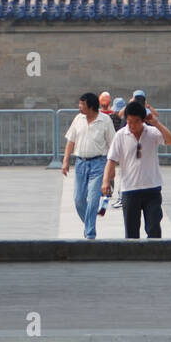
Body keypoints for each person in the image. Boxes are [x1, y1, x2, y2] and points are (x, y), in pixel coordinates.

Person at [101, 100, 171, 238]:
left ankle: (153, 257)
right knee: (131, 232)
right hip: (130, 190)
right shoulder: (120, 135)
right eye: (129, 121)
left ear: (143, 120)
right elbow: (111, 159)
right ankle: (133, 258)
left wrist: (156, 123)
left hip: (152, 188)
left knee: (154, 228)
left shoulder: (152, 132)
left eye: (136, 121)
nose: (132, 125)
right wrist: (106, 180)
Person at [62, 91, 116, 239]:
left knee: (93, 199)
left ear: (91, 107)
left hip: (99, 164)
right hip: (80, 163)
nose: (79, 107)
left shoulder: (105, 121)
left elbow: (113, 145)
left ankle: (90, 234)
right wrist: (66, 161)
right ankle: (88, 225)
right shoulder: (78, 119)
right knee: (79, 200)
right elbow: (71, 141)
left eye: (82, 105)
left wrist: (111, 169)